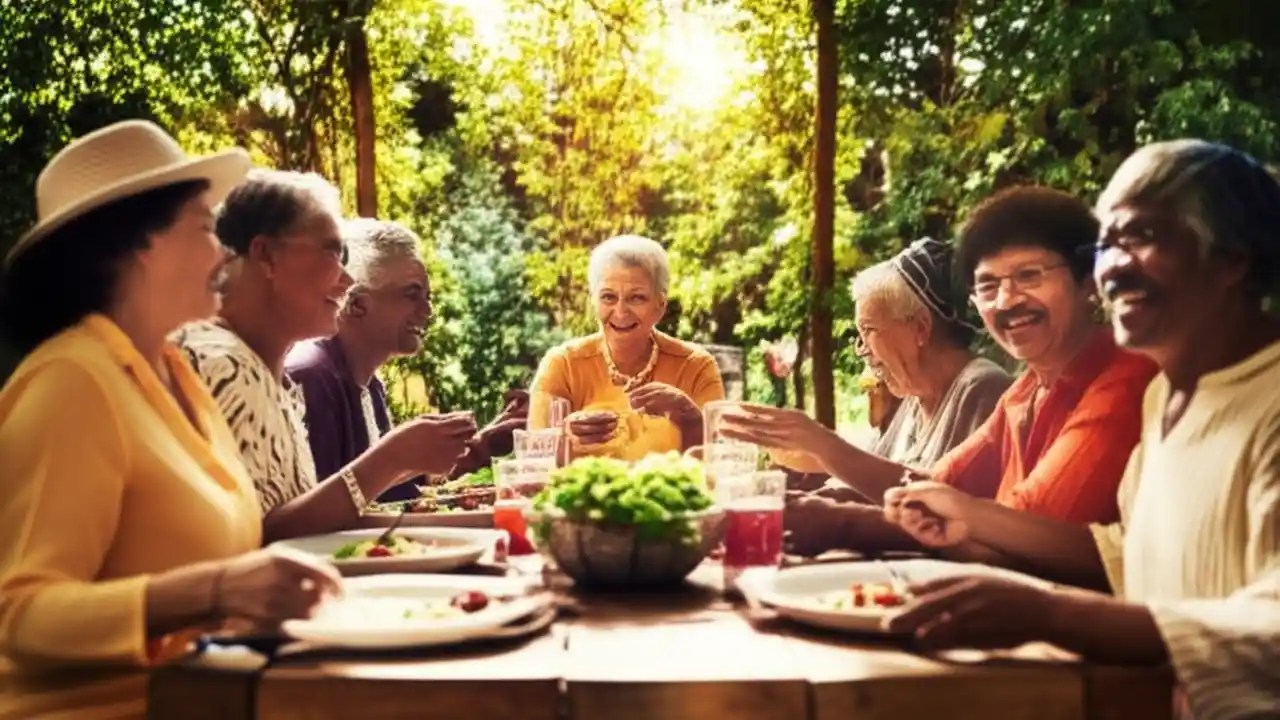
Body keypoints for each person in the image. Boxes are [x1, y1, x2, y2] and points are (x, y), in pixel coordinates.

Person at [881, 140, 1280, 720]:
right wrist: (965, 519)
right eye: (1106, 244)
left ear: (1231, 259)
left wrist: (1051, 615)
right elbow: (1129, 551)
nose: (1112, 266)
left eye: (1142, 238)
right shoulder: (1170, 394)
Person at [0, 121, 341, 718]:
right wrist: (214, 590)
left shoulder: (177, 374)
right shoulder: (74, 381)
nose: (222, 254)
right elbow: (19, 615)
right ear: (138, 242)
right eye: (206, 227)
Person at [723, 187, 1157, 555]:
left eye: (1030, 275)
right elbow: (928, 486)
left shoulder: (1122, 379)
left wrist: (845, 522)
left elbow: (1028, 529)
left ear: (1089, 283)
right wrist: (819, 458)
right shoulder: (1024, 392)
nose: (1007, 300)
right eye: (988, 285)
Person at [174, 171, 476, 541]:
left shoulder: (268, 374)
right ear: (266, 255)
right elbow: (256, 540)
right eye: (333, 252)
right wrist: (390, 459)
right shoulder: (222, 363)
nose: (347, 281)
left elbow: (301, 521)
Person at [285, 218, 526, 500]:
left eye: (428, 296)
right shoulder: (312, 377)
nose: (428, 311)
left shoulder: (370, 385)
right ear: (357, 303)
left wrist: (479, 448)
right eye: (412, 294)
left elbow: (386, 496)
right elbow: (323, 513)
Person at [529, 234, 725, 460]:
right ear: (593, 301)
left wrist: (690, 419)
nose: (621, 312)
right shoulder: (563, 365)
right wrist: (562, 439)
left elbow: (723, 460)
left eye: (637, 298)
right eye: (608, 297)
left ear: (660, 306)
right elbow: (535, 458)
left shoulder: (696, 366)